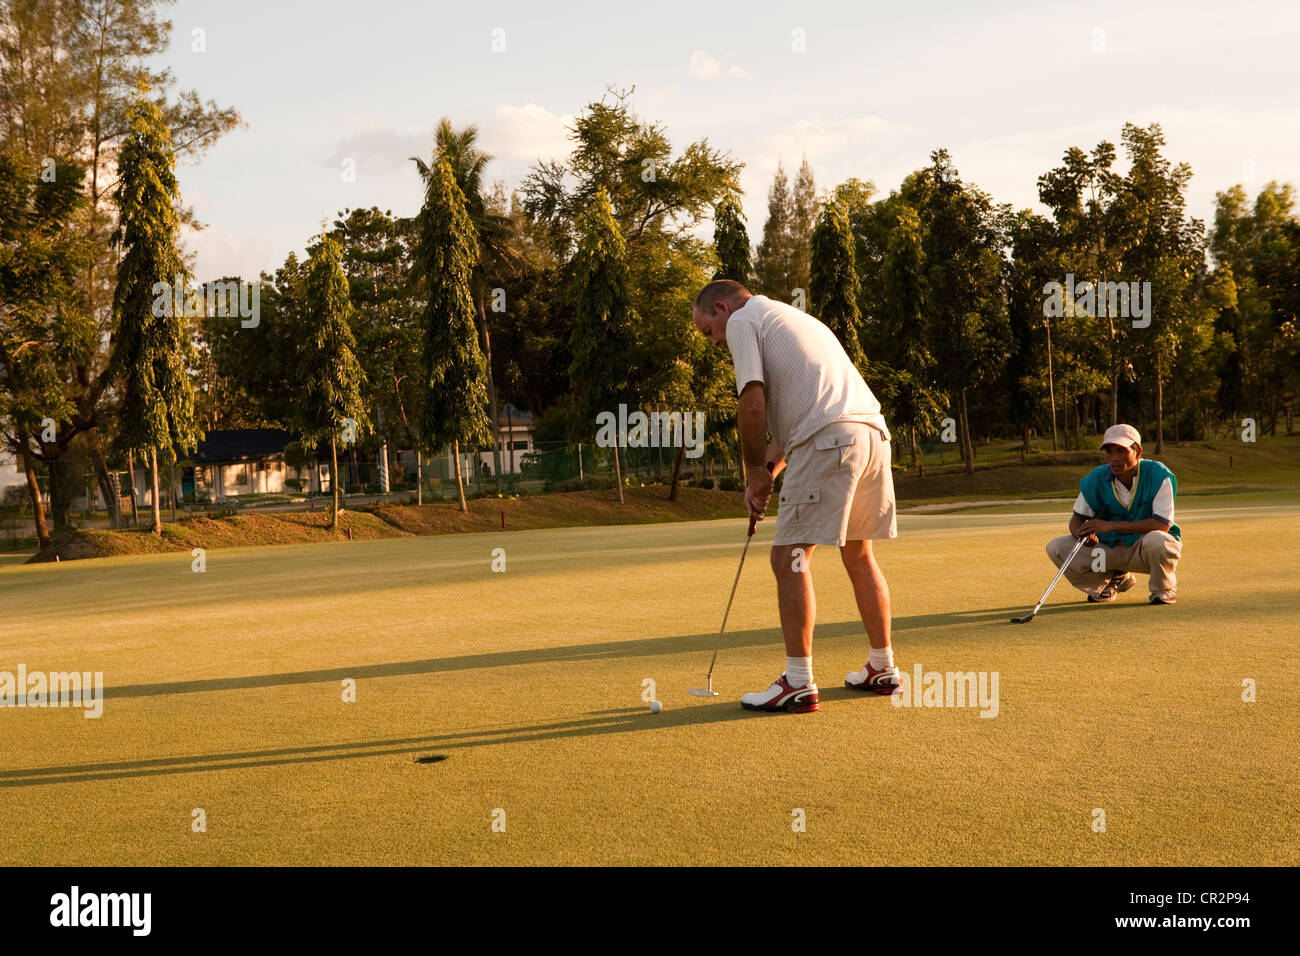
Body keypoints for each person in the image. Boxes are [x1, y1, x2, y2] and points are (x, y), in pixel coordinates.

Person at [690, 279, 899, 713]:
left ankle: (798, 682)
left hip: (830, 441)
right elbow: (801, 419)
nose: (713, 342)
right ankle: (882, 667)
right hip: (871, 436)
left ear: (723, 308)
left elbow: (751, 404)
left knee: (788, 557)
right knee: (859, 554)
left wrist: (750, 471)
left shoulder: (744, 321)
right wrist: (764, 474)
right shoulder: (794, 319)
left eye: (709, 331)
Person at [1046, 424, 1182, 605]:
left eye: (1121, 451)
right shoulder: (1096, 478)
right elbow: (1077, 519)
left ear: (1137, 451)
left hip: (1143, 550)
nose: (1114, 459)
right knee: (1057, 547)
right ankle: (1107, 584)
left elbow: (1162, 525)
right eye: (1109, 452)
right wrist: (1081, 534)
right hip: (1107, 550)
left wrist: (1110, 526)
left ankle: (1162, 590)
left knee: (1159, 540)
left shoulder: (1158, 475)